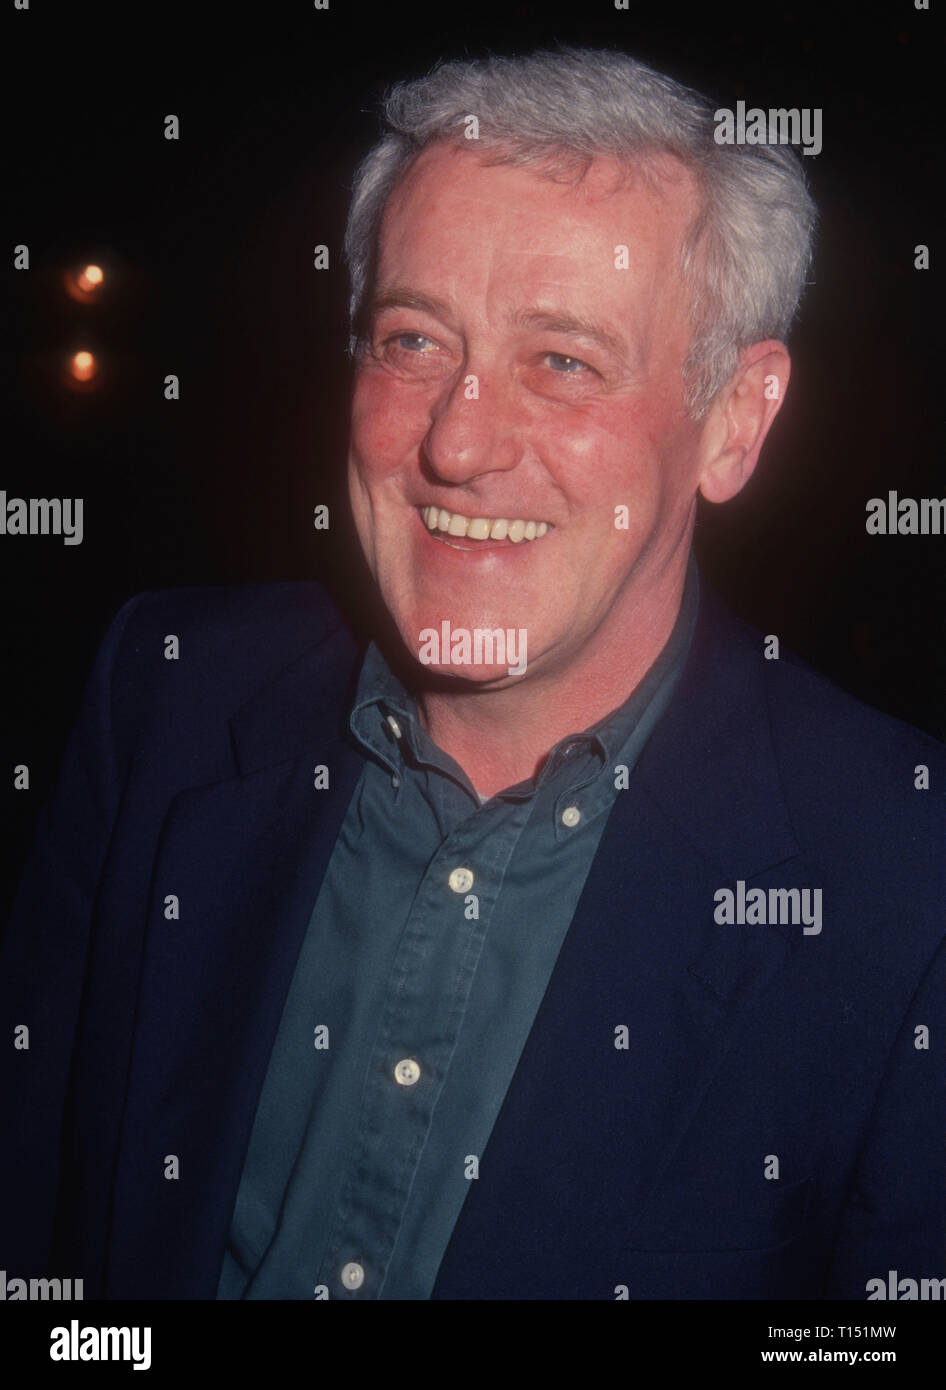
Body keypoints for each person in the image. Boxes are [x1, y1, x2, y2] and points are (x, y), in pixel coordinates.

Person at [1, 47, 943, 1302]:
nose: (455, 441)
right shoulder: (164, 696)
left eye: (562, 361)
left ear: (733, 419)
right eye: (410, 340)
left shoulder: (901, 878)